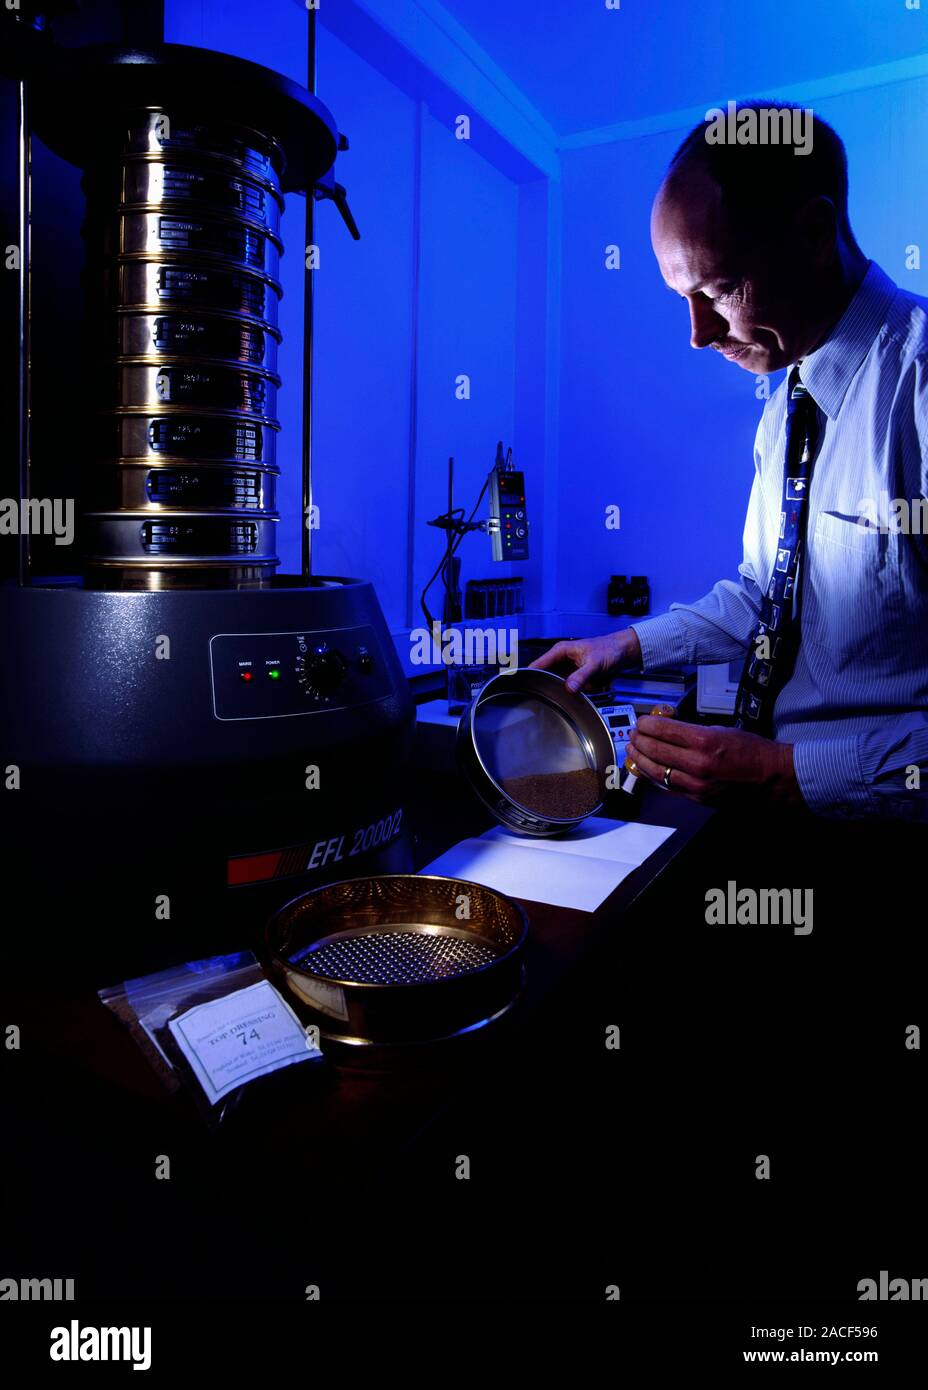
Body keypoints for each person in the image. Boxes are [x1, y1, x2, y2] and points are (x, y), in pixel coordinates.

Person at [531, 101, 928, 825]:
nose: (696, 333)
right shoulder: (785, 403)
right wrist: (622, 645)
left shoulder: (920, 381)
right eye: (683, 299)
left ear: (813, 234)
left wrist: (787, 774)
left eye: (715, 291)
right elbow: (765, 594)